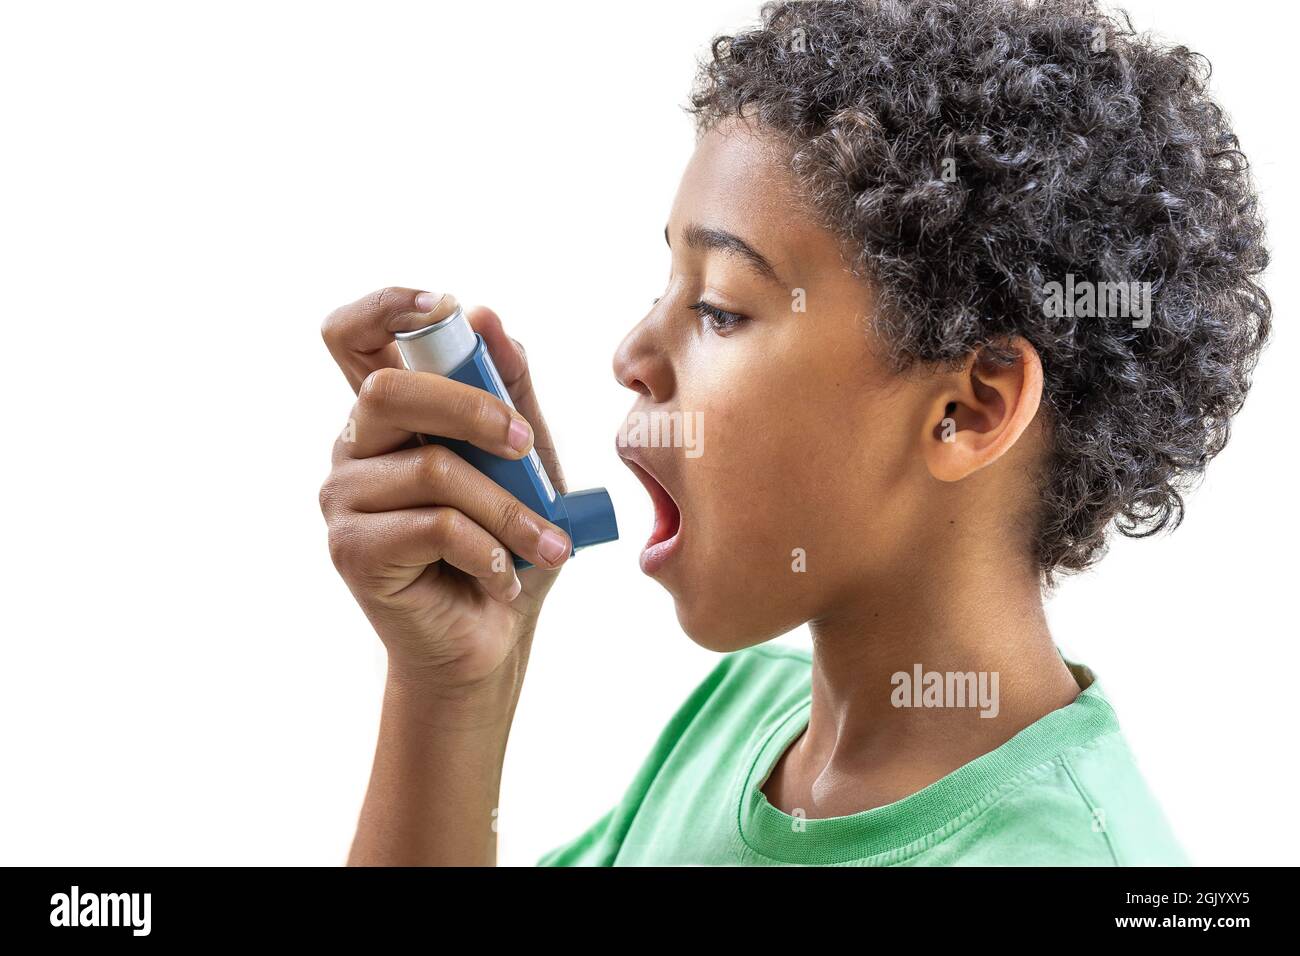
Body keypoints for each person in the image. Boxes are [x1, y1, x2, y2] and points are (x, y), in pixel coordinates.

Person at [318, 0, 1269, 866]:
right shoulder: (739, 724)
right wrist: (453, 690)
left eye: (724, 308)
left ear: (968, 410)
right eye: (667, 291)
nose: (632, 353)